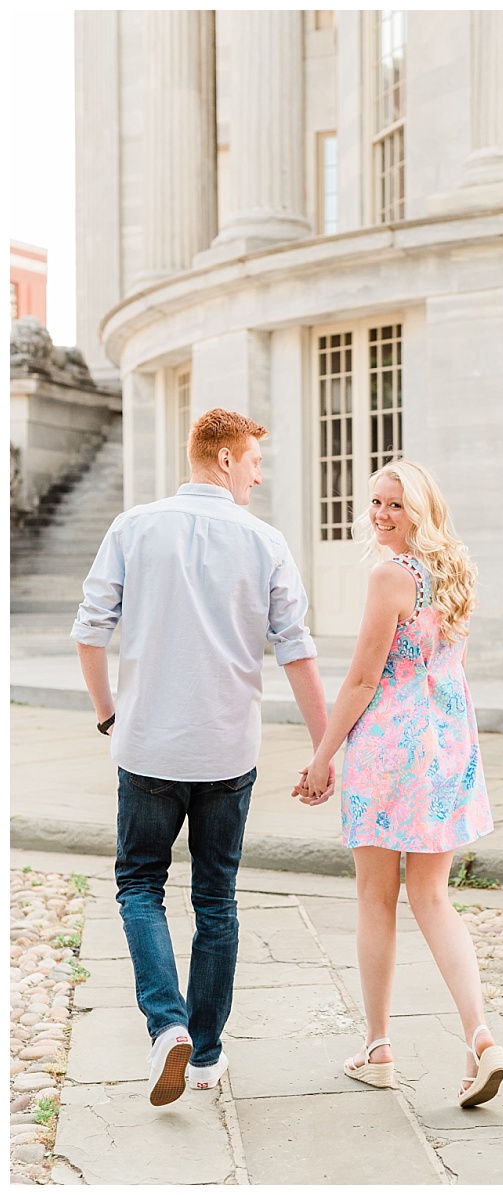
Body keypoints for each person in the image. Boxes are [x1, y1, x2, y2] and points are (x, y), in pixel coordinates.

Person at [72, 409, 328, 1106]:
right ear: (222, 459)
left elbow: (89, 631)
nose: (257, 473)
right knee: (216, 898)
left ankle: (166, 1026)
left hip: (148, 744)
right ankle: (207, 1054)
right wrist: (324, 746)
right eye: (252, 461)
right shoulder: (266, 540)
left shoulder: (134, 526)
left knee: (139, 887)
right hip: (226, 752)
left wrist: (107, 713)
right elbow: (296, 648)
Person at [292, 459, 503, 1108]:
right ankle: (481, 1036)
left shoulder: (392, 576)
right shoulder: (455, 569)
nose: (381, 514)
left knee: (376, 897)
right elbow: (453, 663)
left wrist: (323, 757)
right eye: (376, 502)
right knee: (433, 898)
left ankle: (378, 1045)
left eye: (395, 505)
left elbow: (361, 681)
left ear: (420, 510)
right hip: (448, 744)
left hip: (390, 749)